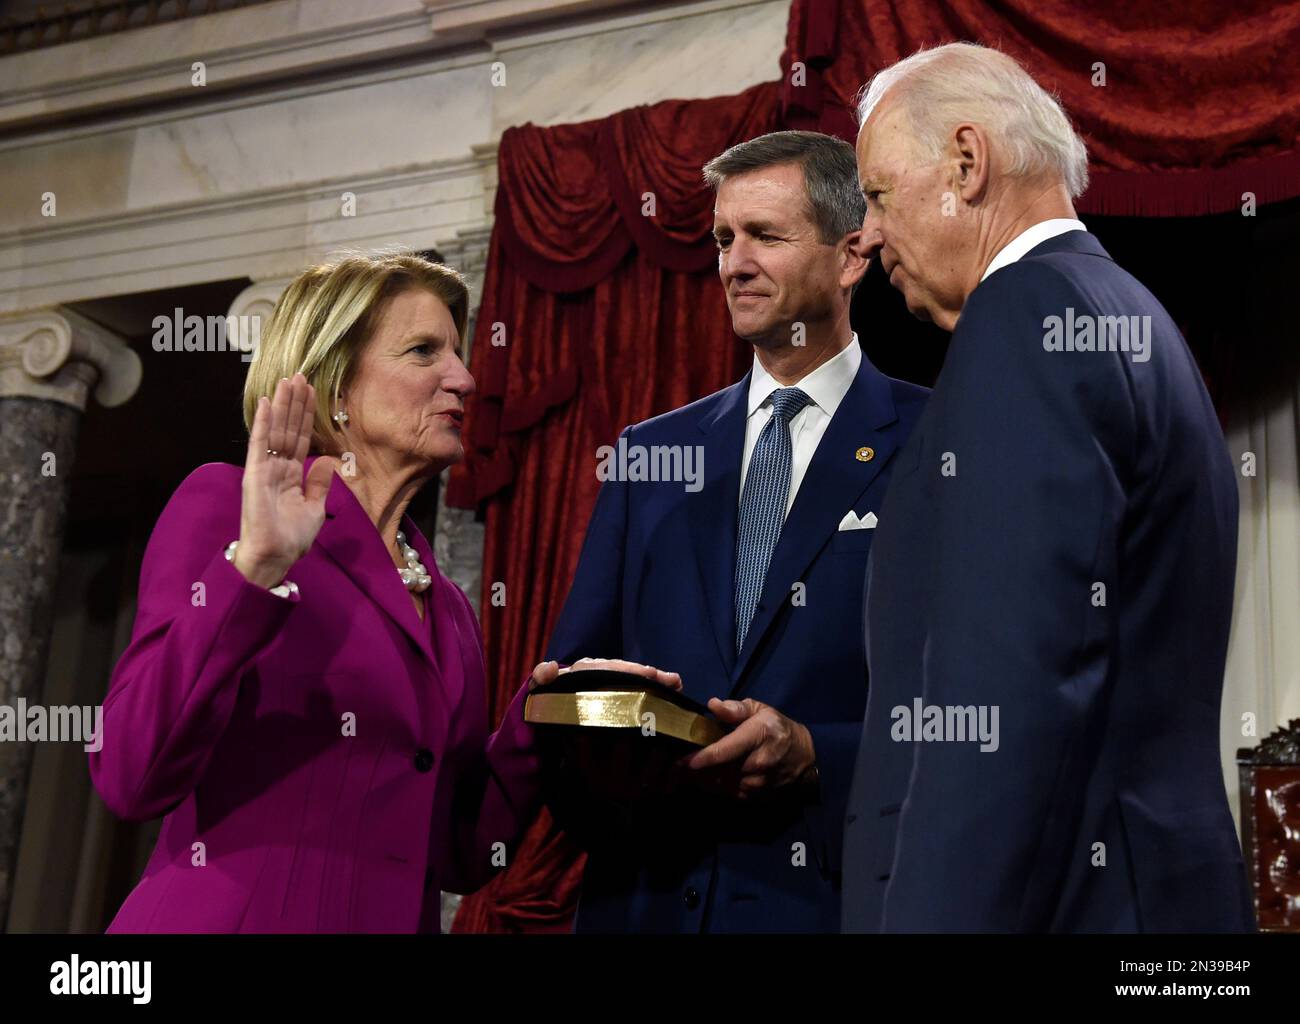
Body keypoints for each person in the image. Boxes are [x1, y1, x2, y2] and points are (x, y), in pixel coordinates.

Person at [88, 250, 678, 932]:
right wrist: (253, 570)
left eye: (457, 354)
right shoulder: (225, 509)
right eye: (424, 351)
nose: (462, 378)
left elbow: (460, 851)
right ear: (334, 384)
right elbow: (131, 772)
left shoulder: (447, 607)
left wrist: (549, 711)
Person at [842, 42, 1254, 932]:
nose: (867, 235)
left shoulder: (1023, 319)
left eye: (876, 194)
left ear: (967, 160)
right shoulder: (1130, 314)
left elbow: (1003, 706)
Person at [548, 131, 929, 932]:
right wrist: (585, 710)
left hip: (834, 903)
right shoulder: (650, 454)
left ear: (852, 254)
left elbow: (969, 708)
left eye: (765, 236)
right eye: (724, 238)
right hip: (650, 901)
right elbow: (577, 689)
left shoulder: (938, 440)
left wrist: (819, 754)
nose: (733, 262)